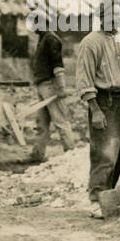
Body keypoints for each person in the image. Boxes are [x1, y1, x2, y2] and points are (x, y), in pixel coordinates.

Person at [75, 0, 120, 218]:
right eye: (109, 16)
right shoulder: (90, 42)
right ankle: (97, 199)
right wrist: (95, 109)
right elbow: (84, 79)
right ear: (100, 18)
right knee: (105, 154)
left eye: (117, 16)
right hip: (105, 101)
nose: (114, 20)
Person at [28, 25, 76, 163]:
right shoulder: (43, 38)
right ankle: (37, 154)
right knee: (42, 124)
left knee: (60, 121)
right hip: (42, 86)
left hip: (50, 86)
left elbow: (57, 64)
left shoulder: (51, 39)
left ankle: (71, 155)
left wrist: (61, 87)